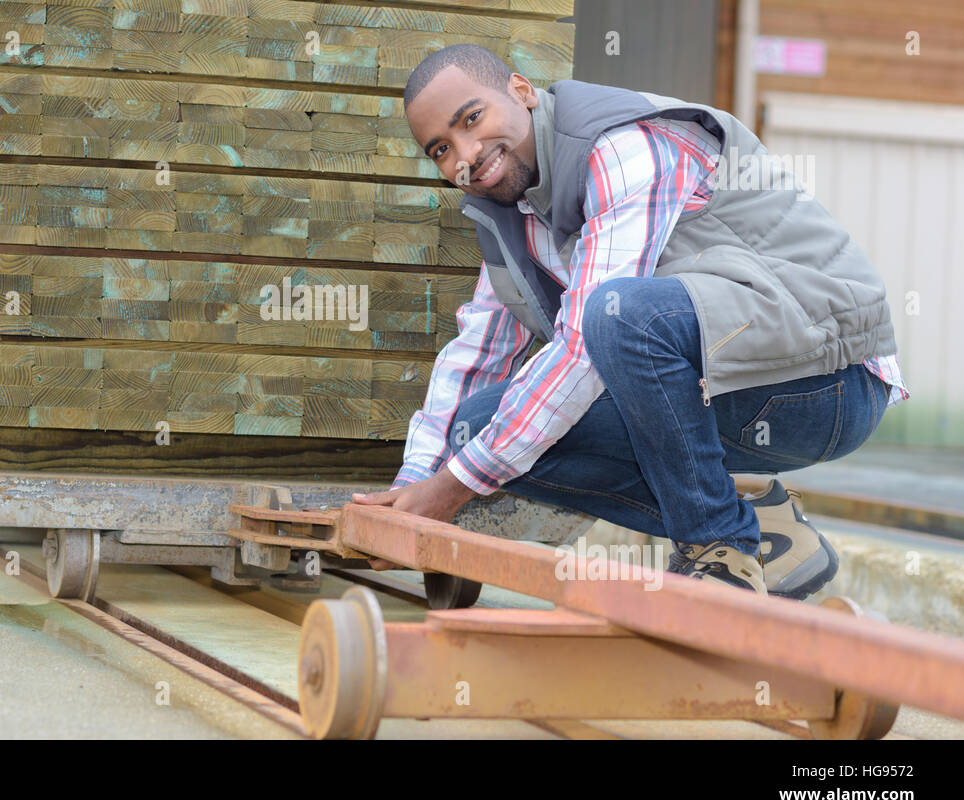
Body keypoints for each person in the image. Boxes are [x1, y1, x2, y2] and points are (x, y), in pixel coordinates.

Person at [351, 44, 907, 596]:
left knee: (617, 316)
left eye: (472, 119)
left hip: (832, 383)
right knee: (475, 428)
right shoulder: (513, 215)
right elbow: (477, 353)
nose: (466, 155)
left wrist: (456, 486)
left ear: (521, 91)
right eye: (441, 149)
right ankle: (765, 535)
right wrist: (414, 491)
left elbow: (585, 348)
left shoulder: (624, 149)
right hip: (727, 391)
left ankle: (718, 549)